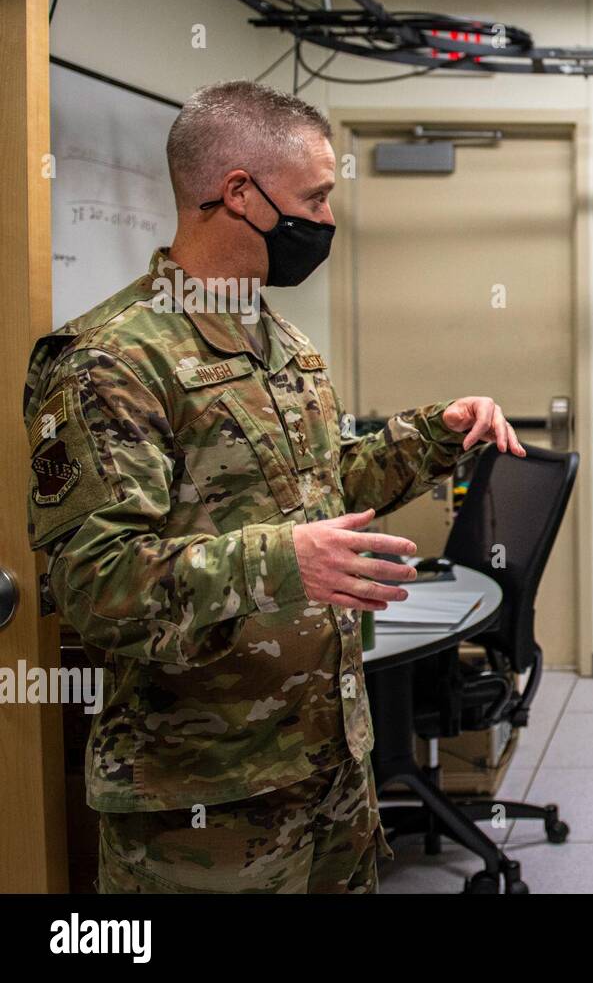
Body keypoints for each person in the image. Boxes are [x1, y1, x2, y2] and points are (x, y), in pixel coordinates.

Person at [24, 81, 524, 894]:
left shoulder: (280, 342)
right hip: (205, 797)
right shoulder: (114, 364)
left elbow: (327, 487)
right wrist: (278, 561)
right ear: (239, 194)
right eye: (316, 197)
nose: (327, 219)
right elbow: (93, 583)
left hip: (327, 764)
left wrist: (434, 432)